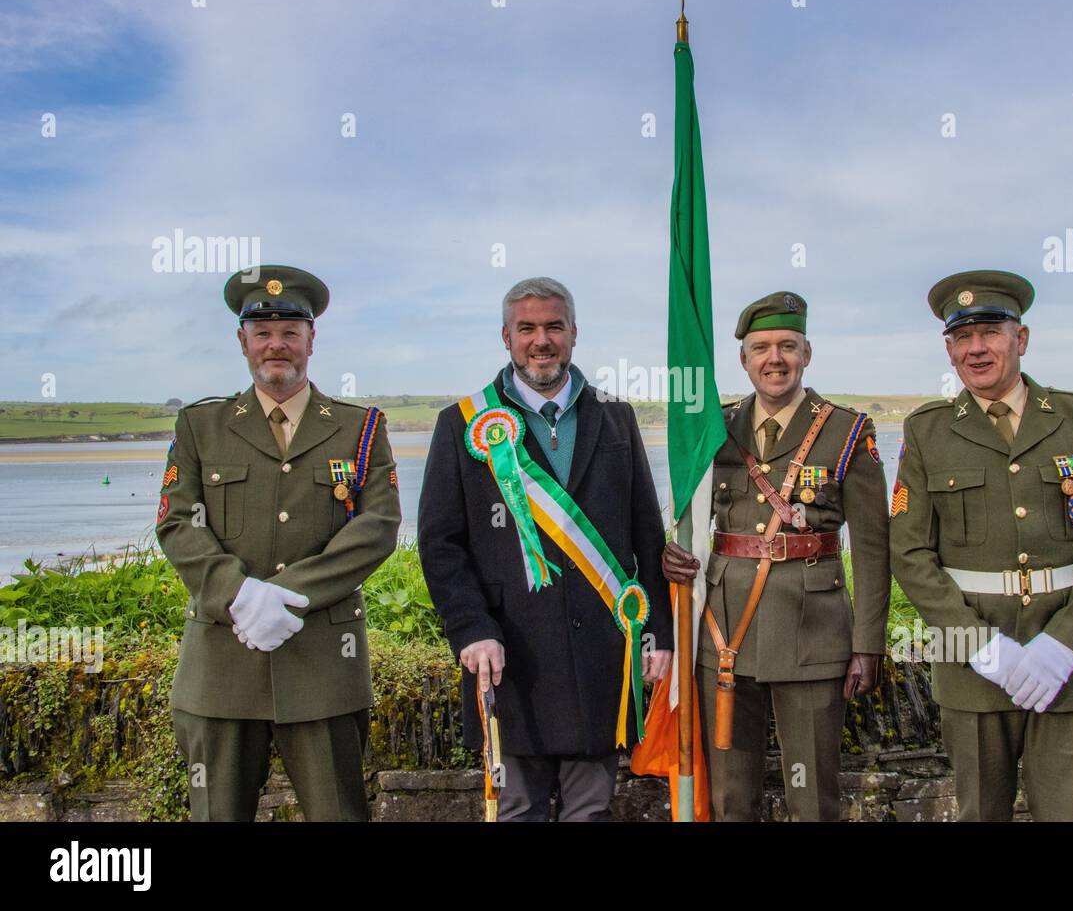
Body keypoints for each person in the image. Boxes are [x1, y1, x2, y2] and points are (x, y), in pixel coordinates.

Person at [418, 276, 673, 821]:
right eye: (527, 328)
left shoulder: (616, 416)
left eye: (554, 327)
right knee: (519, 811)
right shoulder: (462, 423)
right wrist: (471, 628)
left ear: (574, 333)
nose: (541, 340)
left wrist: (658, 634)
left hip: (603, 653)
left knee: (592, 812)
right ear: (505, 337)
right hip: (510, 656)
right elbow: (441, 545)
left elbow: (646, 532)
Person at [889, 269, 1073, 821]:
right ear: (949, 350)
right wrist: (979, 646)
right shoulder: (927, 431)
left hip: (1068, 670)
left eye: (990, 333)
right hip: (973, 673)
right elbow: (909, 554)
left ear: (1020, 339)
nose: (976, 349)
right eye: (962, 337)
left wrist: (1065, 645)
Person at [157, 264, 401, 821]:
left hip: (323, 667)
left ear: (311, 340)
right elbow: (177, 522)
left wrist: (284, 596)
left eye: (290, 332)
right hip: (222, 664)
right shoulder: (201, 426)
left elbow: (378, 526)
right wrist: (241, 595)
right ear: (242, 340)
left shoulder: (360, 427)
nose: (276, 345)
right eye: (262, 332)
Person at [661, 290, 890, 821]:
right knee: (729, 798)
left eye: (787, 345)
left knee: (813, 800)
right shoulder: (715, 430)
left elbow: (874, 549)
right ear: (744, 360)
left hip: (813, 634)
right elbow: (687, 521)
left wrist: (867, 645)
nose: (775, 359)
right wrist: (667, 552)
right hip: (724, 634)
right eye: (760, 348)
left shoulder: (846, 430)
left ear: (806, 353)